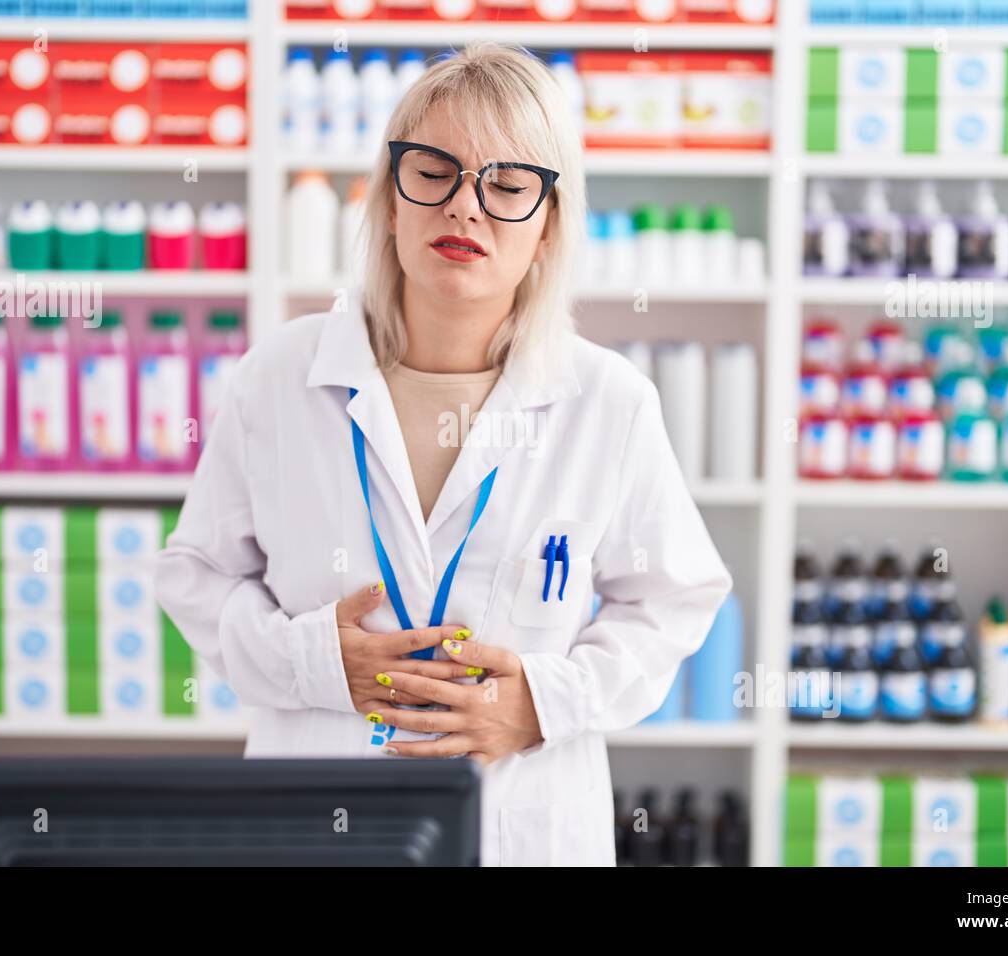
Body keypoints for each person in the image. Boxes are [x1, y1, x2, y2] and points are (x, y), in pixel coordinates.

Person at [153, 41, 733, 866]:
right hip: (317, 825)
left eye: (506, 185)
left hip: (521, 828)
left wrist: (541, 702)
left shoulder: (608, 402)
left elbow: (675, 602)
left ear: (548, 228)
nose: (465, 206)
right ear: (391, 200)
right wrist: (314, 663)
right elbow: (195, 575)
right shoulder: (281, 377)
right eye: (434, 170)